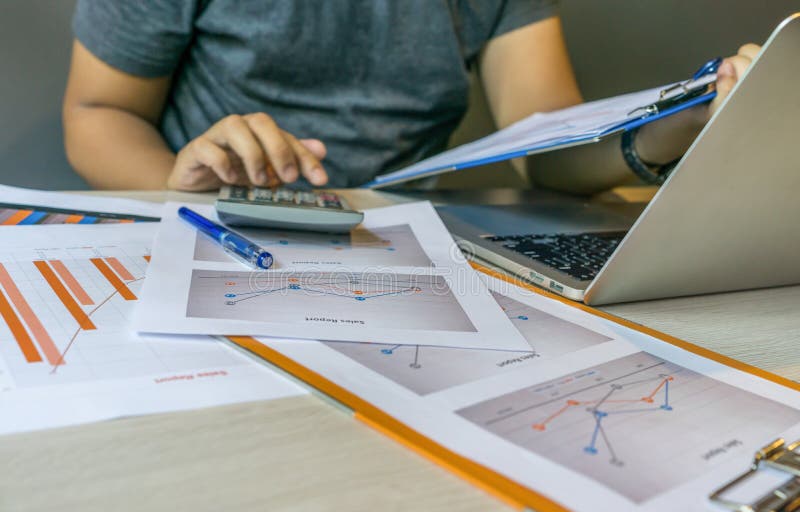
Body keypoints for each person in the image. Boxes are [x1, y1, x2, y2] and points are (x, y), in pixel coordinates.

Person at [62, 1, 758, 193]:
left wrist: (692, 115)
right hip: (219, 225)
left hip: (404, 243)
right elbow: (98, 114)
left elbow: (547, 144)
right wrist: (173, 184)